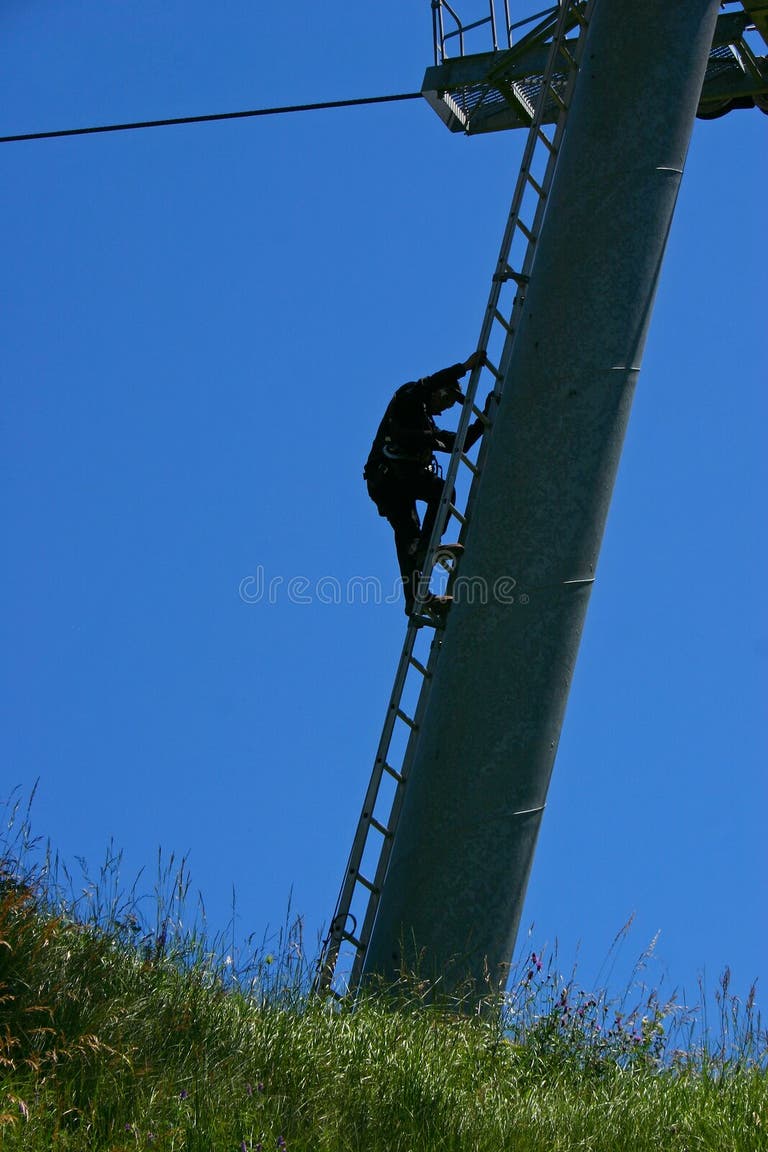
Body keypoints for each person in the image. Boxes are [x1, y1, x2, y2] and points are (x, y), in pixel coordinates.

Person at [364, 350, 489, 617]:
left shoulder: (429, 427)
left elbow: (460, 443)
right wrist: (463, 368)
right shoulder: (408, 398)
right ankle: (427, 547)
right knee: (441, 492)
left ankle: (418, 598)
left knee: (408, 536)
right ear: (438, 391)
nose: (446, 408)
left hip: (392, 483)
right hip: (387, 477)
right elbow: (429, 383)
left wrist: (485, 417)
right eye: (446, 400)